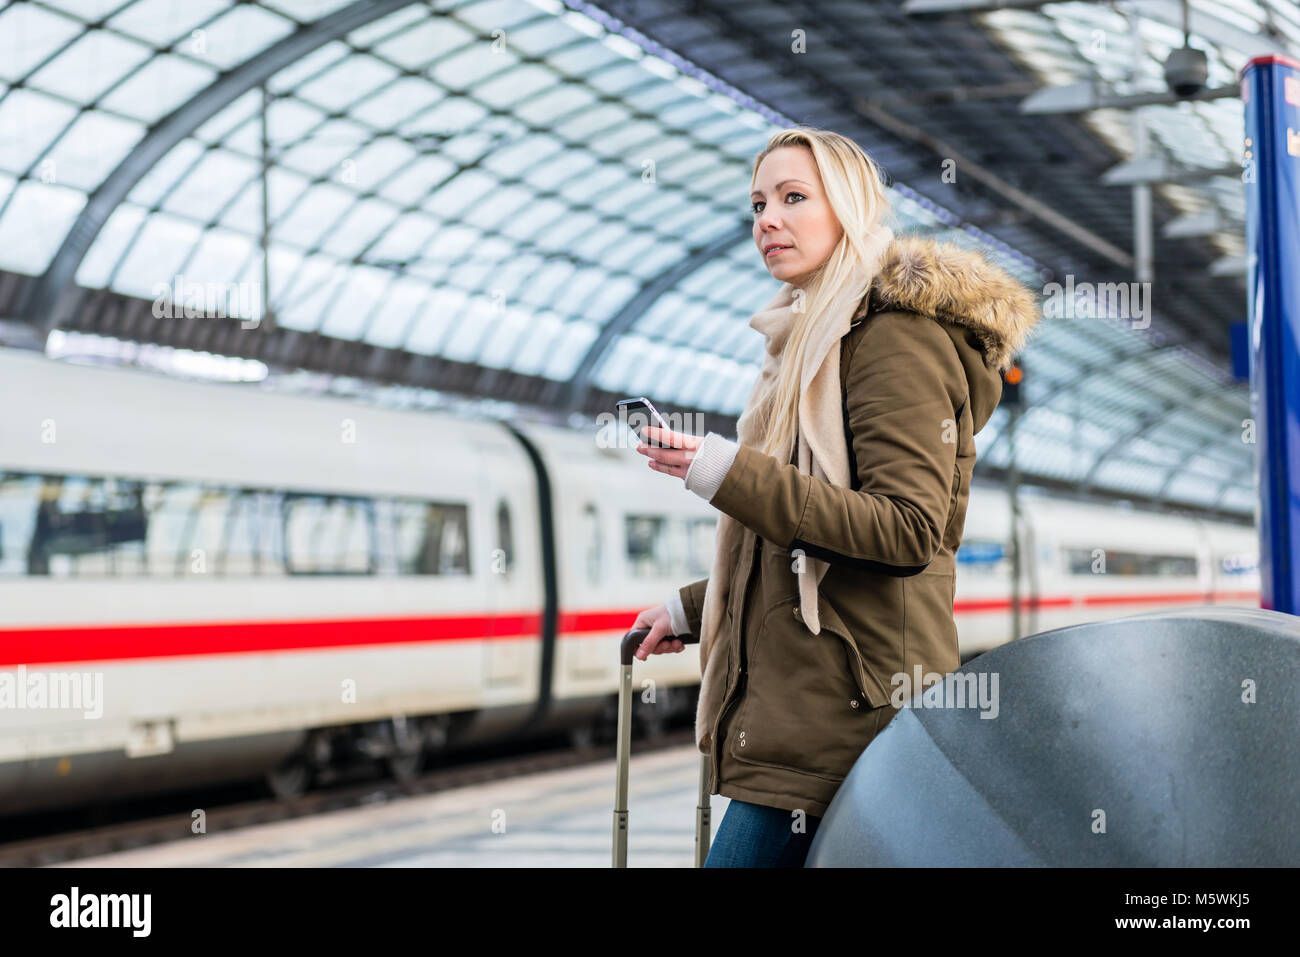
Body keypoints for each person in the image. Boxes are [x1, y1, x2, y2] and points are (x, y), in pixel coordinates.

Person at [628, 126, 1040, 867]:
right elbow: (808, 534)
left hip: (851, 717)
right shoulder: (808, 341)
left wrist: (726, 472)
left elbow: (908, 530)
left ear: (849, 207)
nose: (767, 220)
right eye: (757, 204)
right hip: (811, 718)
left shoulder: (893, 339)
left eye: (793, 197)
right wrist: (696, 606)